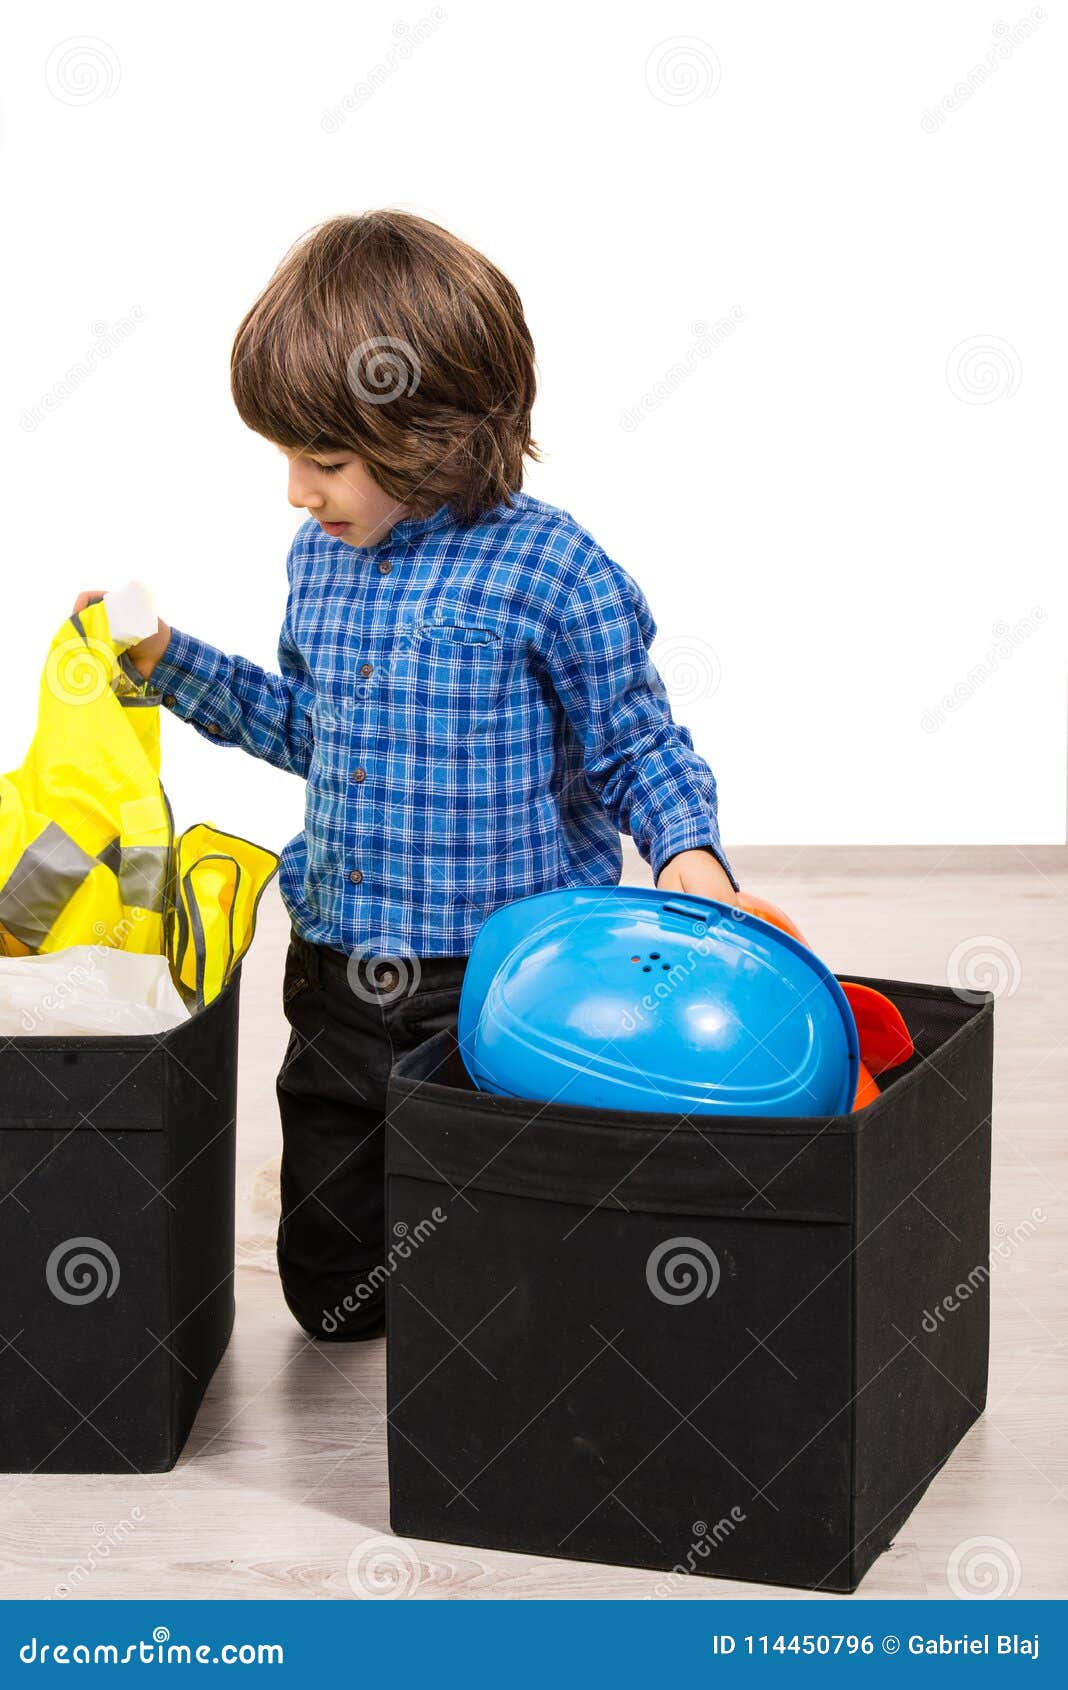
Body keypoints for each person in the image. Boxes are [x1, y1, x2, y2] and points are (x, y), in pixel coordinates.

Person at [74, 209, 738, 1344]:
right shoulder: (318, 560)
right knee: (331, 1290)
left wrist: (689, 851)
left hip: (500, 973)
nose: (295, 489)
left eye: (323, 461)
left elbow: (636, 742)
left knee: (506, 1260)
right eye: (287, 455)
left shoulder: (554, 568)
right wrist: (166, 664)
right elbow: (307, 729)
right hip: (339, 967)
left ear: (431, 433)